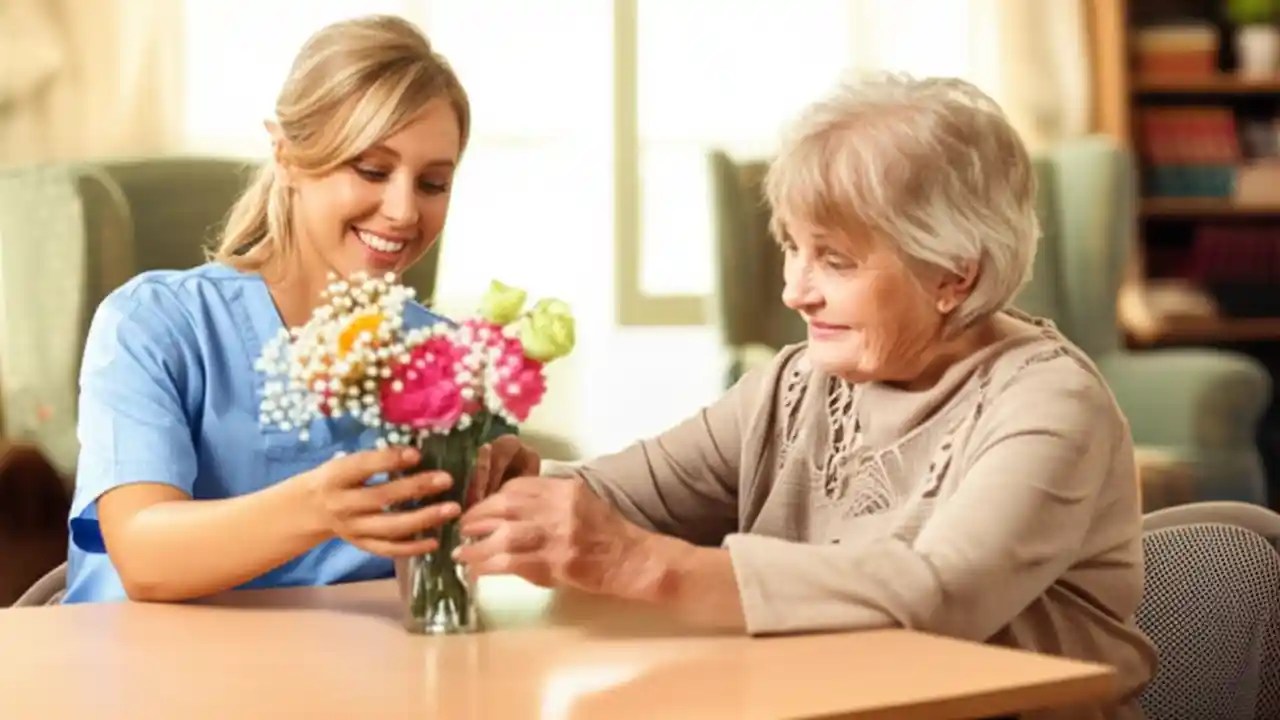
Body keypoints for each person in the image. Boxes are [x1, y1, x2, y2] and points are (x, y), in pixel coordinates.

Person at [457, 74, 1157, 717]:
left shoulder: (1051, 403)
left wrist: (637, 562)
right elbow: (625, 498)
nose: (796, 290)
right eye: (793, 247)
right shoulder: (796, 385)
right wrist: (511, 490)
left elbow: (939, 594)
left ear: (953, 277)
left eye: (836, 260)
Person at [63, 15, 537, 604]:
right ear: (287, 156)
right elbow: (143, 555)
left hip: (357, 691)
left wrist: (505, 505)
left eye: (433, 183)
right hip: (156, 683)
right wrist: (319, 508)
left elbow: (448, 591)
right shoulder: (153, 324)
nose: (403, 211)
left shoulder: (448, 360)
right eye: (372, 169)